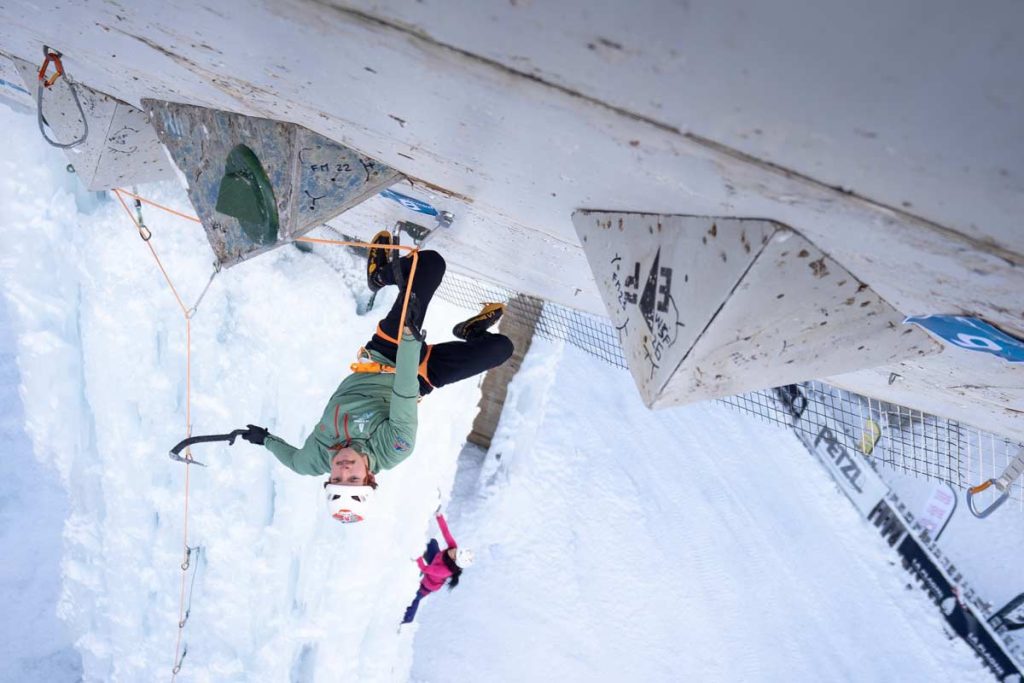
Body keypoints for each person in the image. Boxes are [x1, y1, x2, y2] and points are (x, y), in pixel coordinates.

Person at [239, 233, 514, 522]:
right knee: (501, 349)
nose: (344, 470)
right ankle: (472, 333)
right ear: (369, 478)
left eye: (337, 479)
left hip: (382, 357)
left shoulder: (314, 459)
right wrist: (410, 337)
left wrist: (264, 439)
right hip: (417, 376)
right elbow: (404, 390)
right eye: (353, 479)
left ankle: (380, 275)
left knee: (430, 265)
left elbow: (294, 461)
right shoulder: (395, 448)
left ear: (328, 478)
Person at [402, 510, 473, 624]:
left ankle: (407, 619)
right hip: (436, 559)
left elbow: (425, 569)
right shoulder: (453, 548)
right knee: (432, 543)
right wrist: (439, 516)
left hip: (428, 583)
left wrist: (416, 556)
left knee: (415, 598)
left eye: (455, 554)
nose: (454, 550)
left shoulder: (444, 571)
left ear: (455, 561)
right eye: (457, 550)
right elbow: (445, 532)